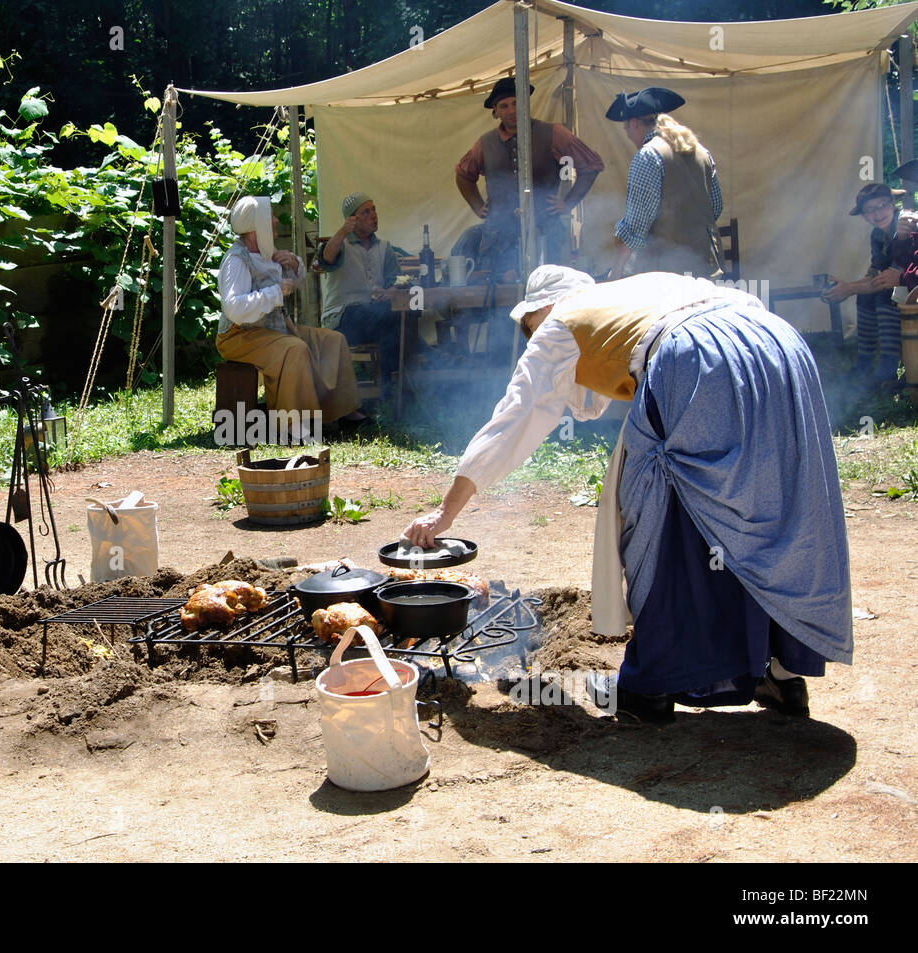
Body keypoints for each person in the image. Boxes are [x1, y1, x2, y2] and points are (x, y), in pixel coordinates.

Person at [404, 266, 852, 724]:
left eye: (529, 330)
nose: (531, 343)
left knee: (656, 511)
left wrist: (445, 511)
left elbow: (514, 419)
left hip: (696, 356)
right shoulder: (643, 291)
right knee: (772, 504)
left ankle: (650, 686)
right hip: (780, 345)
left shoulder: (560, 324)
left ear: (544, 310)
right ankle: (780, 669)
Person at [216, 196, 366, 437]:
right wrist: (275, 293)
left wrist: (294, 265)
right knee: (294, 349)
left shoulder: (267, 253)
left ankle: (341, 410)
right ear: (256, 228)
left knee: (333, 340)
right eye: (269, 217)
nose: (275, 220)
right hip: (239, 336)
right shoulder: (236, 261)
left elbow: (294, 283)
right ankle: (293, 425)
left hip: (272, 329)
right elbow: (234, 308)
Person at [454, 77, 604, 280]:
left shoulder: (554, 134)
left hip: (545, 232)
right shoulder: (485, 143)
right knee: (498, 295)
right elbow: (463, 175)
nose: (511, 110)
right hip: (499, 238)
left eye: (516, 103)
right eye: (504, 106)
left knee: (548, 292)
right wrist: (478, 205)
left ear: (526, 103)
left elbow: (591, 166)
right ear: (496, 112)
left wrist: (568, 203)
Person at [605, 88, 723, 280]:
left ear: (634, 123)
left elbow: (636, 226)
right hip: (707, 266)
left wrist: (616, 270)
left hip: (668, 274)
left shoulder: (647, 156)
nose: (627, 135)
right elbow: (715, 207)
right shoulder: (702, 152)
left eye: (626, 128)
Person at [316, 192, 402, 393]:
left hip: (374, 317)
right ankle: (388, 390)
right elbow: (326, 259)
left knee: (400, 319)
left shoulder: (384, 248)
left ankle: (388, 389)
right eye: (366, 212)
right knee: (381, 317)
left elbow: (396, 281)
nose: (373, 215)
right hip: (342, 320)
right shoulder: (340, 244)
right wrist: (342, 232)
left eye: (374, 210)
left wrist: (390, 292)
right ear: (352, 220)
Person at [822, 182, 904, 383]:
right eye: (870, 210)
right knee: (867, 296)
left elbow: (891, 279)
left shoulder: (904, 227)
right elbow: (876, 274)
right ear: (864, 216)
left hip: (912, 284)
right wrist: (849, 287)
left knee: (885, 296)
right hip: (902, 284)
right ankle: (864, 365)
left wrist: (849, 288)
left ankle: (888, 367)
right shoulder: (878, 234)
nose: (877, 214)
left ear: (893, 203)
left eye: (882, 205)